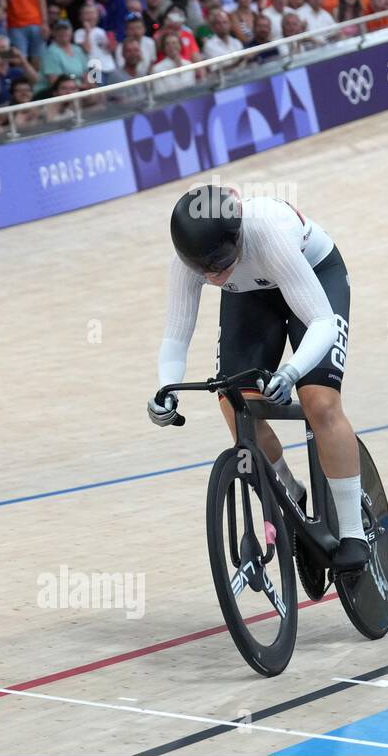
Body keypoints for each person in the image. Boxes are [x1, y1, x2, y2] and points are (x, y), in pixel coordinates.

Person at [150, 185, 368, 573]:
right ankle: (289, 489)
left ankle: (354, 532)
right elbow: (175, 335)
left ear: (237, 236)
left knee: (319, 400)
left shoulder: (265, 230)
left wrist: (291, 371)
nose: (214, 274)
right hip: (253, 291)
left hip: (312, 274)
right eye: (205, 269)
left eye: (220, 261)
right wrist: (165, 387)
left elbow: (321, 321)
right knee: (234, 402)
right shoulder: (194, 260)